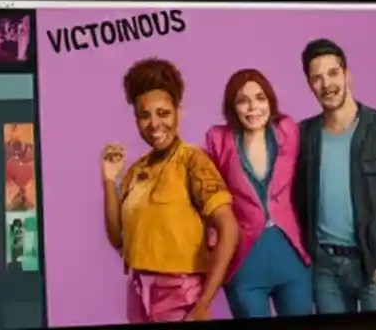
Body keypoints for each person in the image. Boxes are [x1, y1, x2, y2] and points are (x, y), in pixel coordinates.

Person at [99, 58, 239, 323]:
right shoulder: (136, 170)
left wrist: (203, 303)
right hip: (139, 293)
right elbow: (118, 239)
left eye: (163, 113)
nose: (154, 124)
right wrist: (108, 181)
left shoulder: (193, 162)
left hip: (181, 294)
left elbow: (229, 230)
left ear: (178, 112)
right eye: (144, 115)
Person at [293, 38, 376, 314]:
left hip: (373, 264)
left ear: (347, 73)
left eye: (332, 73)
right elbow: (293, 199)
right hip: (324, 269)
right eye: (317, 78)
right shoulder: (303, 135)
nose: (326, 84)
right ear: (309, 85)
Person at [204, 69, 312, 317]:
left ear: (270, 101)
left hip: (291, 256)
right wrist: (213, 243)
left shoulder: (288, 130)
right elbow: (209, 199)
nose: (253, 107)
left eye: (260, 98)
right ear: (233, 107)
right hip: (245, 262)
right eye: (243, 100)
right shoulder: (218, 140)